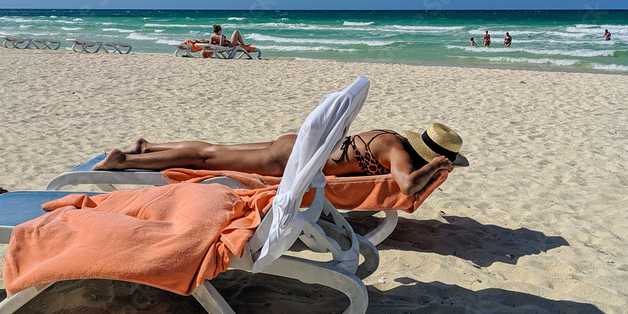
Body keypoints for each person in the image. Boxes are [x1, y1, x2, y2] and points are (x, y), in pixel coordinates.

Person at [94, 122, 468, 197]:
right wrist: (437, 167)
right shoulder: (400, 154)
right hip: (291, 160)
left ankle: (148, 147)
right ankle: (122, 162)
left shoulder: (391, 136)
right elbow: (407, 184)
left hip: (296, 144)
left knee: (214, 149)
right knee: (207, 160)